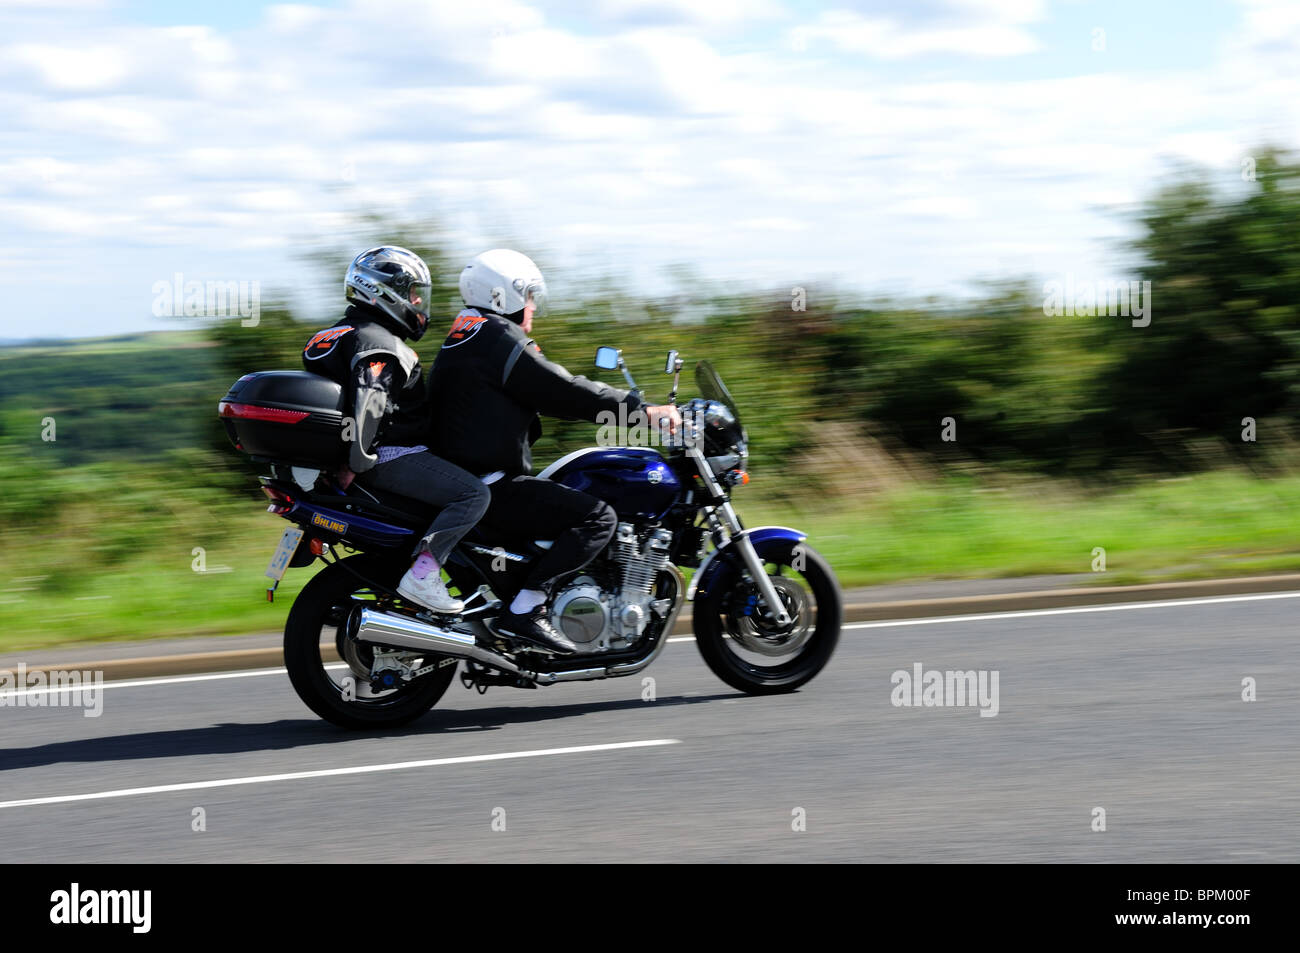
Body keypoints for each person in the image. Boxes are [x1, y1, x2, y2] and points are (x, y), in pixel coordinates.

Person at [426, 248, 681, 654]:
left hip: (467, 476)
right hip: (489, 484)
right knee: (598, 517)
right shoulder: (499, 339)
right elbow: (565, 392)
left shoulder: (467, 334)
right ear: (502, 297)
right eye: (527, 296)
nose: (532, 307)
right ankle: (527, 609)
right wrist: (643, 411)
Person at [302, 245, 489, 614]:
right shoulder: (380, 343)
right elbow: (369, 403)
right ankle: (424, 573)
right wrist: (355, 464)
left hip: (349, 458)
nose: (418, 302)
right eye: (413, 293)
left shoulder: (331, 336)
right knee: (474, 495)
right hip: (389, 456)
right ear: (384, 291)